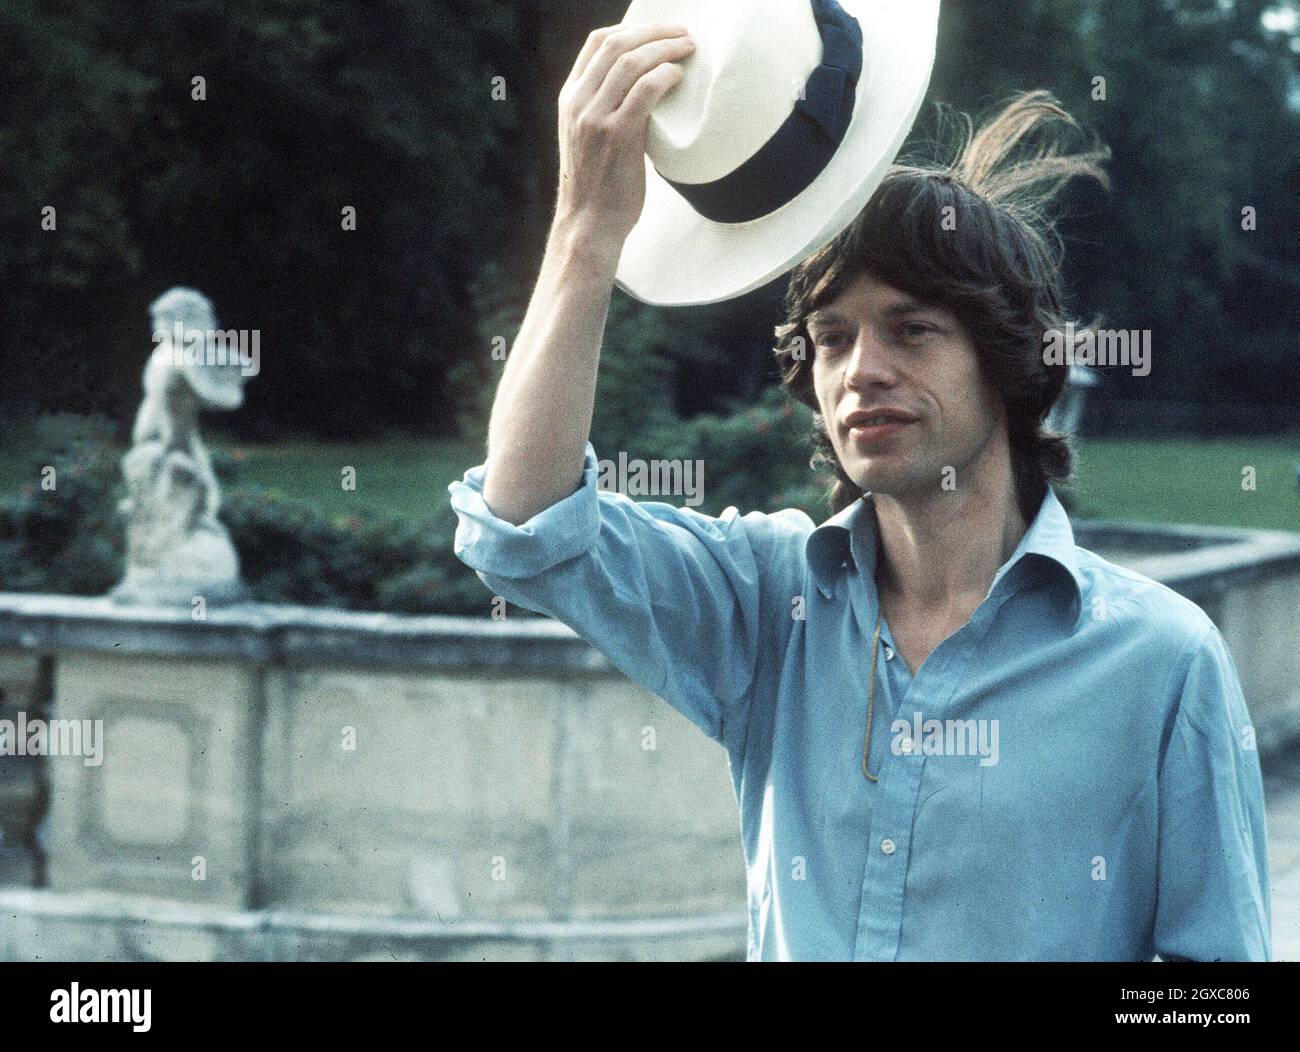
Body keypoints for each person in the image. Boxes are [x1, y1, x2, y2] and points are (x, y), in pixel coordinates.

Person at [448, 20, 1270, 961]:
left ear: (1005, 360)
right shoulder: (766, 605)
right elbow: (522, 526)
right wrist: (586, 235)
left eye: (911, 330)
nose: (859, 371)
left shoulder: (1161, 661)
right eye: (832, 338)